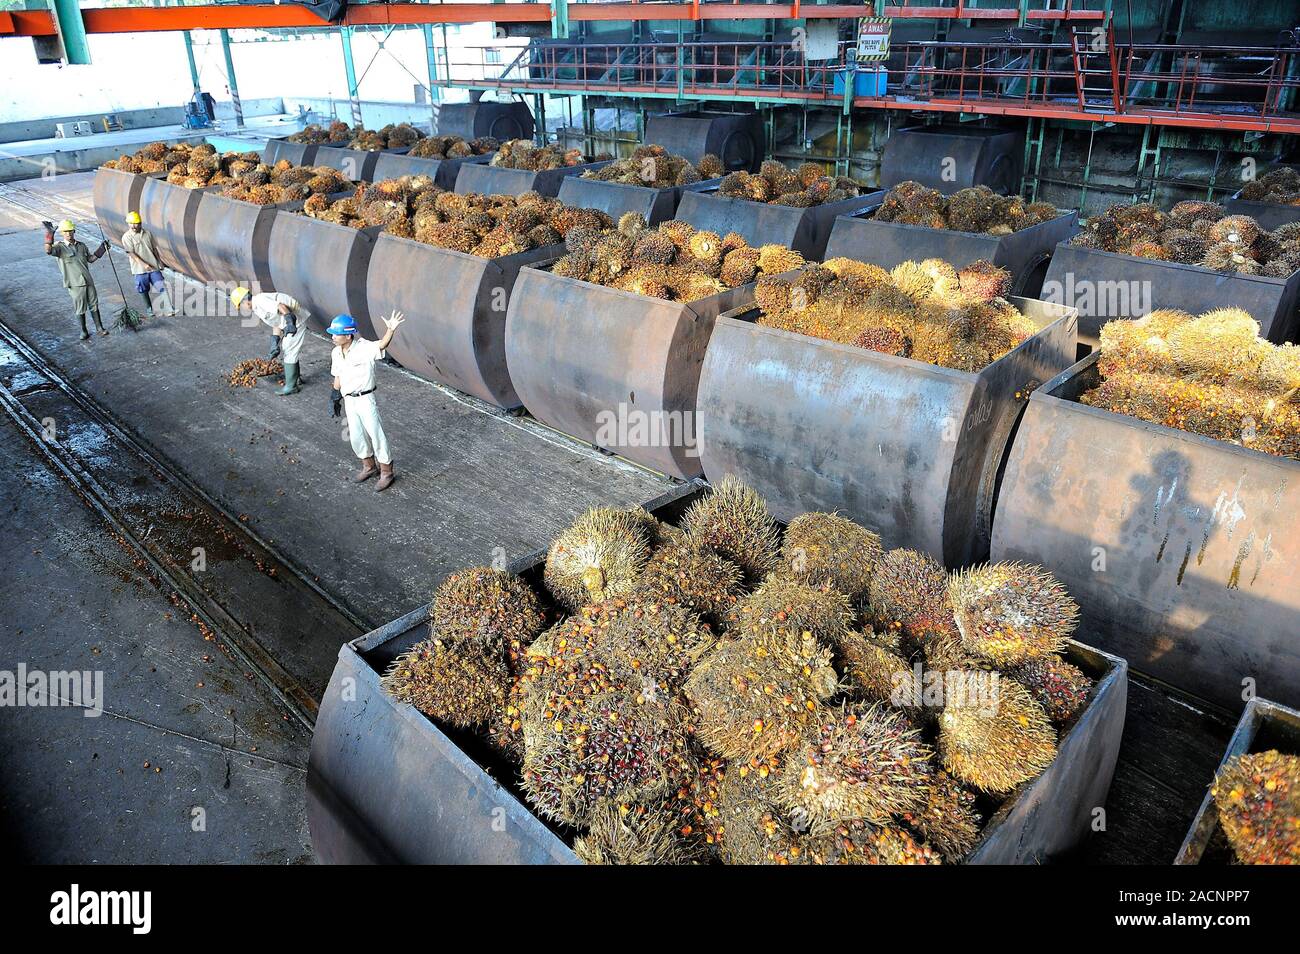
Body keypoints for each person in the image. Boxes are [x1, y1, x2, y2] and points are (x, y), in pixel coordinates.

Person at [329, 310, 404, 492]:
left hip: (365, 398)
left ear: (347, 335)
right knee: (356, 435)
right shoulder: (336, 352)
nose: (333, 336)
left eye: (336, 334)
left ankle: (386, 471)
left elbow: (382, 344)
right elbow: (338, 374)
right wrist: (334, 394)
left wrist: (391, 329)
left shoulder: (364, 348)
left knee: (375, 433)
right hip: (349, 400)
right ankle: (369, 466)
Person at [230, 287, 308, 396]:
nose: (242, 309)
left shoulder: (260, 301)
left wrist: (290, 323)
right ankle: (296, 379)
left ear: (245, 302)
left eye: (240, 306)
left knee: (289, 349)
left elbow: (282, 307)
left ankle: (291, 386)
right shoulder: (257, 307)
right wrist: (274, 343)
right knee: (290, 350)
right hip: (288, 322)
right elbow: (276, 323)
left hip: (296, 321)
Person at [44, 219, 109, 340]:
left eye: (70, 231)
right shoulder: (59, 248)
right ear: (62, 233)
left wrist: (102, 249)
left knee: (94, 305)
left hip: (88, 281)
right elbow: (48, 251)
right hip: (74, 284)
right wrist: (49, 234)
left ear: (74, 231)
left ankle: (100, 328)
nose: (68, 234)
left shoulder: (82, 246)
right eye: (65, 232)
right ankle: (84, 331)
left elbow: (91, 259)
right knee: (80, 308)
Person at [121, 211, 175, 317]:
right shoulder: (126, 237)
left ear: (140, 223)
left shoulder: (148, 233)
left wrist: (159, 262)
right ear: (128, 224)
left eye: (136, 223)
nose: (134, 225)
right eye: (131, 223)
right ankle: (149, 309)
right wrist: (144, 265)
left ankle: (169, 308)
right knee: (142, 288)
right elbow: (131, 254)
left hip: (153, 266)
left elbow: (154, 249)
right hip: (139, 270)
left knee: (161, 284)